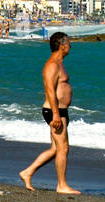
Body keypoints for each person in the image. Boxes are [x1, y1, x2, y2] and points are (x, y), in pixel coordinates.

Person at [19, 31, 79, 193]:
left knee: (55, 148)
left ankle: (27, 172)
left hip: (60, 110)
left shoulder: (59, 64)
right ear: (61, 46)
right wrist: (56, 114)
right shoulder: (52, 65)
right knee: (63, 148)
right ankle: (61, 185)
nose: (70, 46)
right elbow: (50, 91)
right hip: (55, 111)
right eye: (68, 43)